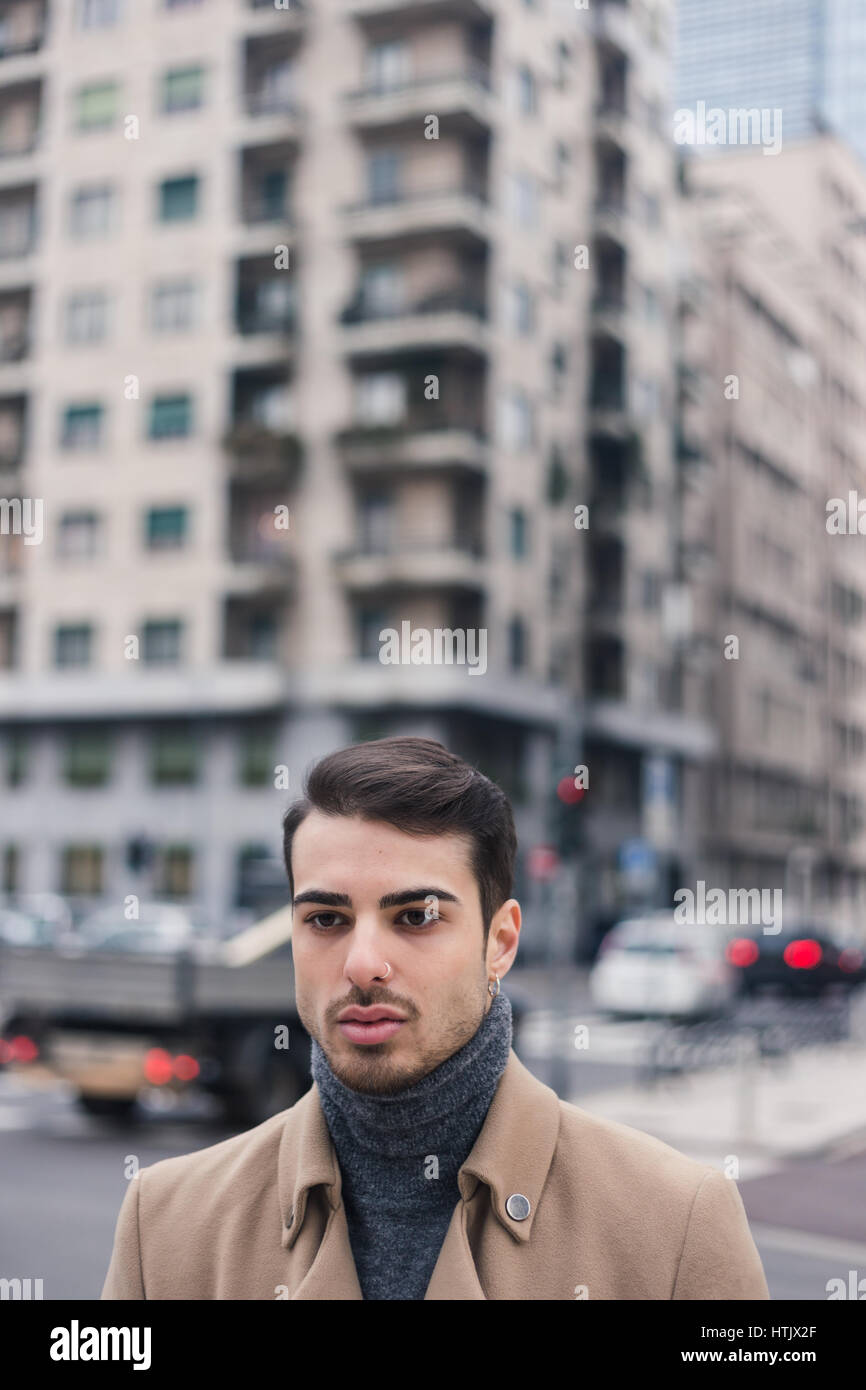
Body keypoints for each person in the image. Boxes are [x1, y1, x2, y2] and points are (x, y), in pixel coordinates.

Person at [102, 736, 769, 1300]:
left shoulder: (677, 1224)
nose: (363, 963)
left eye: (416, 916)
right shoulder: (162, 1226)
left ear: (500, 942)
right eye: (326, 919)